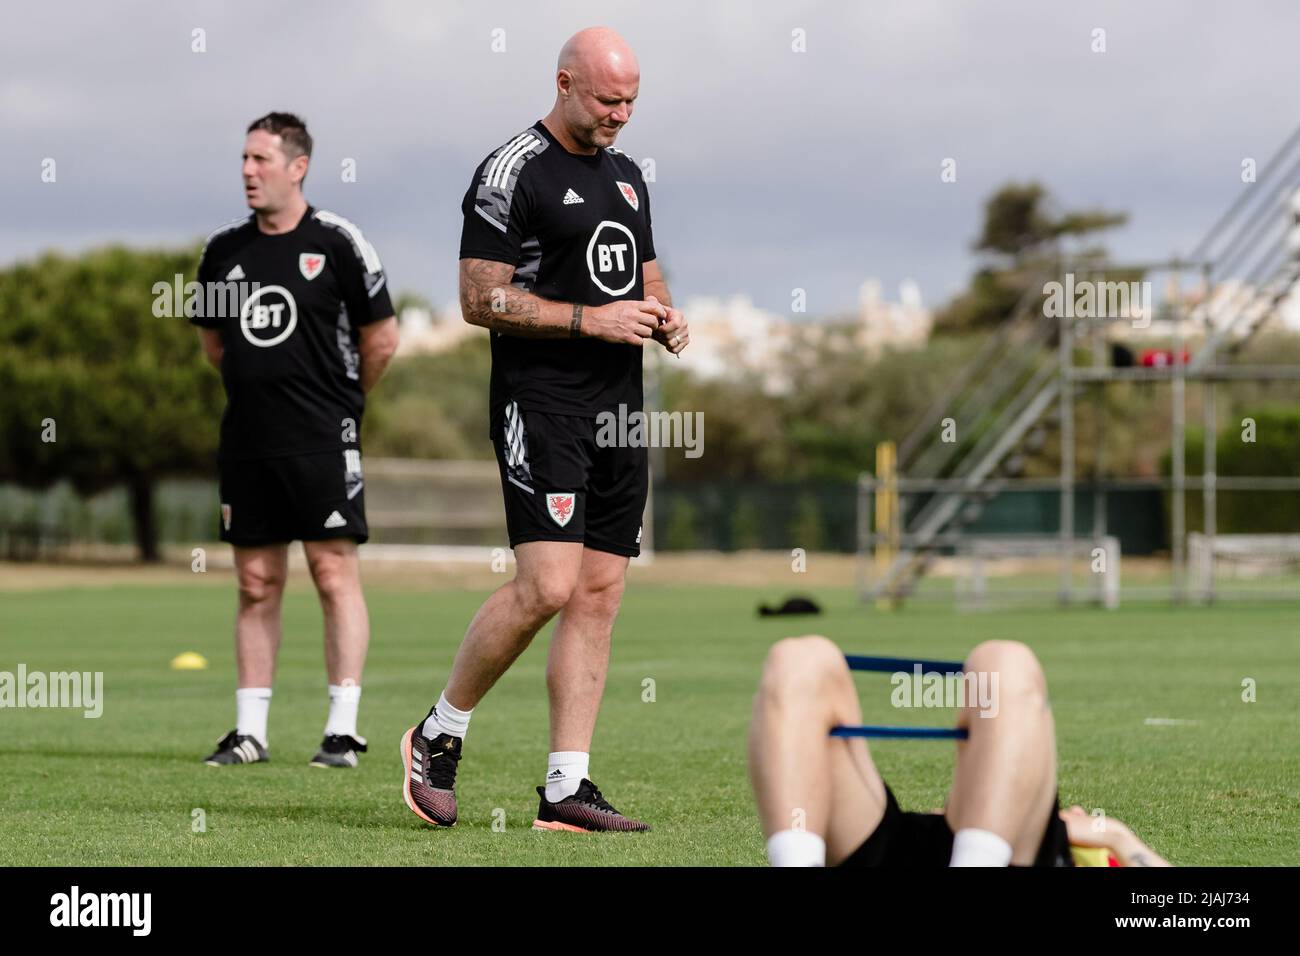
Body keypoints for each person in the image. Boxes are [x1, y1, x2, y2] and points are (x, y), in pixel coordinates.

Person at [400, 27, 688, 833]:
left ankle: (567, 788)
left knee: (599, 591)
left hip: (619, 411)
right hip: (542, 405)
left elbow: (645, 268)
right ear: (565, 83)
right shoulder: (508, 173)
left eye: (632, 101)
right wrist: (588, 321)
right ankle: (437, 732)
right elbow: (478, 298)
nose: (621, 116)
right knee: (548, 586)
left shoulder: (629, 177)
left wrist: (664, 313)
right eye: (606, 99)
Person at [191, 112, 398, 769]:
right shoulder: (223, 252)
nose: (248, 172)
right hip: (248, 442)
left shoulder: (339, 242)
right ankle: (249, 731)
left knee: (333, 573)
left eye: (261, 159)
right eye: (244, 160)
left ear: (297, 165)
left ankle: (343, 730)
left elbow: (382, 338)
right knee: (255, 583)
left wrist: (341, 404)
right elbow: (213, 346)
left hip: (322, 440)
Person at [748, 636, 1170, 866]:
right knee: (798, 659)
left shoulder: (1081, 847)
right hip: (906, 846)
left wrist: (1117, 836)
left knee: (1004, 663)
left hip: (1006, 854)